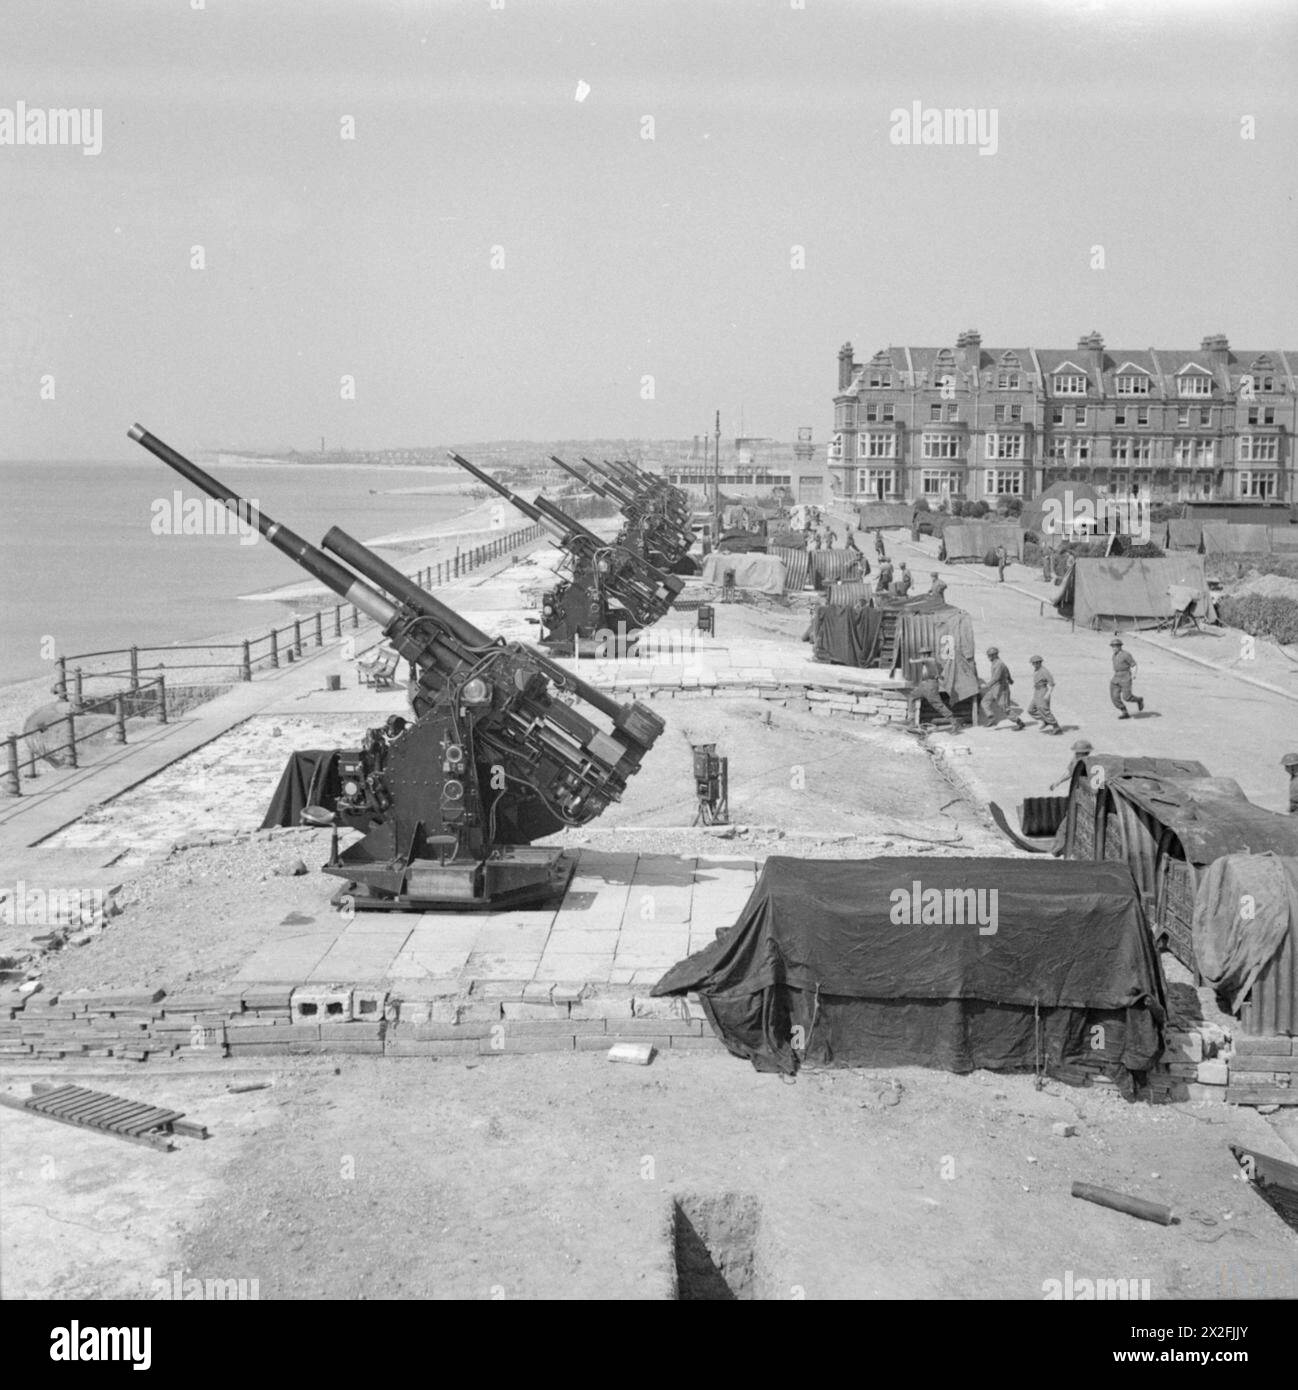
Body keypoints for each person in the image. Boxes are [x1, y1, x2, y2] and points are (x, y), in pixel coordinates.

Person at [906, 646, 958, 732]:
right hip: (924, 685)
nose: (920, 656)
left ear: (926, 654)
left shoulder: (930, 660)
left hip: (930, 685)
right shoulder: (927, 662)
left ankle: (954, 722)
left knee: (938, 705)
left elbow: (919, 661)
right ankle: (911, 722)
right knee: (911, 697)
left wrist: (912, 660)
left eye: (921, 655)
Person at [979, 646, 1025, 730]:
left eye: (990, 655)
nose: (989, 657)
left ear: (995, 655)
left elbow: (996, 678)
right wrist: (1010, 679)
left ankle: (1019, 722)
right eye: (989, 655)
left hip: (1001, 689)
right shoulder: (995, 663)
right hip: (994, 688)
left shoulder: (999, 664)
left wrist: (986, 685)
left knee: (1005, 708)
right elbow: (1007, 671)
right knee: (984, 702)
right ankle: (991, 718)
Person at [1026, 655, 1063, 734]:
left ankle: (1056, 726)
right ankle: (1046, 720)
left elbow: (1052, 684)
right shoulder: (1036, 670)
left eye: (1036, 663)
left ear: (1040, 662)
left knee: (1044, 710)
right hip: (1037, 691)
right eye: (1033, 663)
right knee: (1030, 710)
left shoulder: (1044, 671)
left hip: (1043, 691)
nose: (1034, 664)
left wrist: (1048, 694)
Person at [1109, 636, 1144, 719]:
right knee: (1114, 697)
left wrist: (1134, 674)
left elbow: (1134, 664)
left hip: (1125, 677)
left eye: (1116, 646)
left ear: (1120, 646)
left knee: (1127, 697)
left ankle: (1139, 700)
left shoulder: (1126, 655)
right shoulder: (1114, 655)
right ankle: (1124, 712)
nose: (1114, 648)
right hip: (1116, 677)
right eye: (1113, 646)